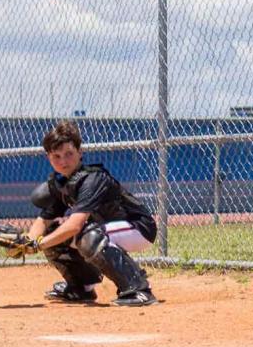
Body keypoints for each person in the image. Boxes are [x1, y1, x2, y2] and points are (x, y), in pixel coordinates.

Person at [28, 120, 159, 307]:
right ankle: (81, 288)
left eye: (69, 154)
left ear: (80, 153)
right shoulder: (62, 184)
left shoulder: (92, 179)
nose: (63, 161)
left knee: (86, 235)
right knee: (53, 234)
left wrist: (37, 246)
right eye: (56, 156)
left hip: (138, 228)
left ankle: (139, 289)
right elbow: (44, 220)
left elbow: (74, 225)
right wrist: (27, 242)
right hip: (109, 229)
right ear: (48, 157)